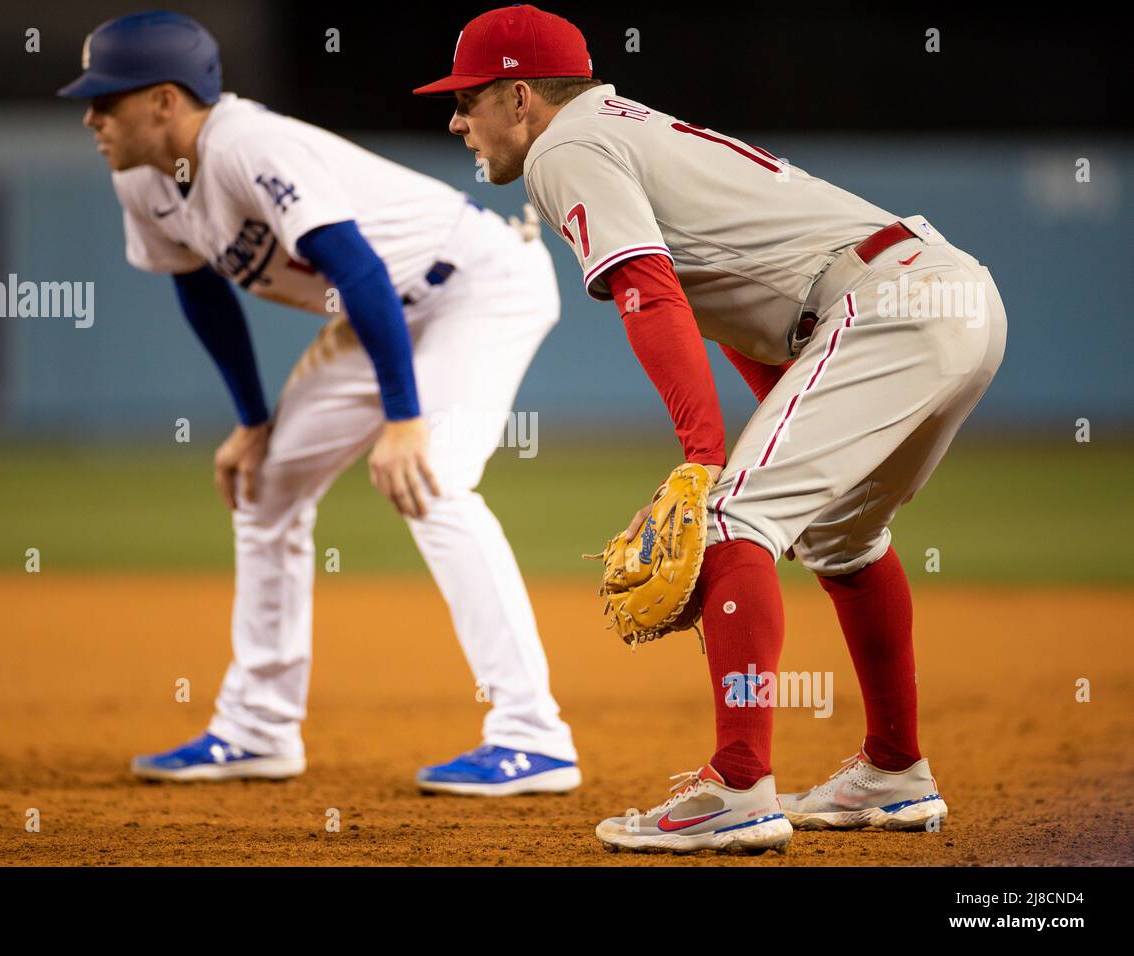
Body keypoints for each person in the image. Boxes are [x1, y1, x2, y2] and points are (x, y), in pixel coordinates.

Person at [416, 4, 1005, 850]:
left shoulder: (565, 148)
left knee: (731, 517)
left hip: (885, 307)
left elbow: (651, 293)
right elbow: (738, 309)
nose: (456, 119)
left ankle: (737, 785)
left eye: (468, 98)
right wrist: (748, 440)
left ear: (518, 97)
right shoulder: (625, 130)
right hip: (945, 297)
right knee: (842, 536)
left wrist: (704, 462)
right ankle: (893, 771)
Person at [60, 10, 580, 795]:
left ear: (164, 101)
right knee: (265, 487)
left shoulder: (246, 146)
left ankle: (533, 736)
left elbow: (356, 266)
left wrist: (406, 420)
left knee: (431, 478)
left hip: (473, 286)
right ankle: (258, 728)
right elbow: (201, 291)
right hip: (380, 314)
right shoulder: (140, 179)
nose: (92, 117)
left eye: (107, 99)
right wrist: (250, 422)